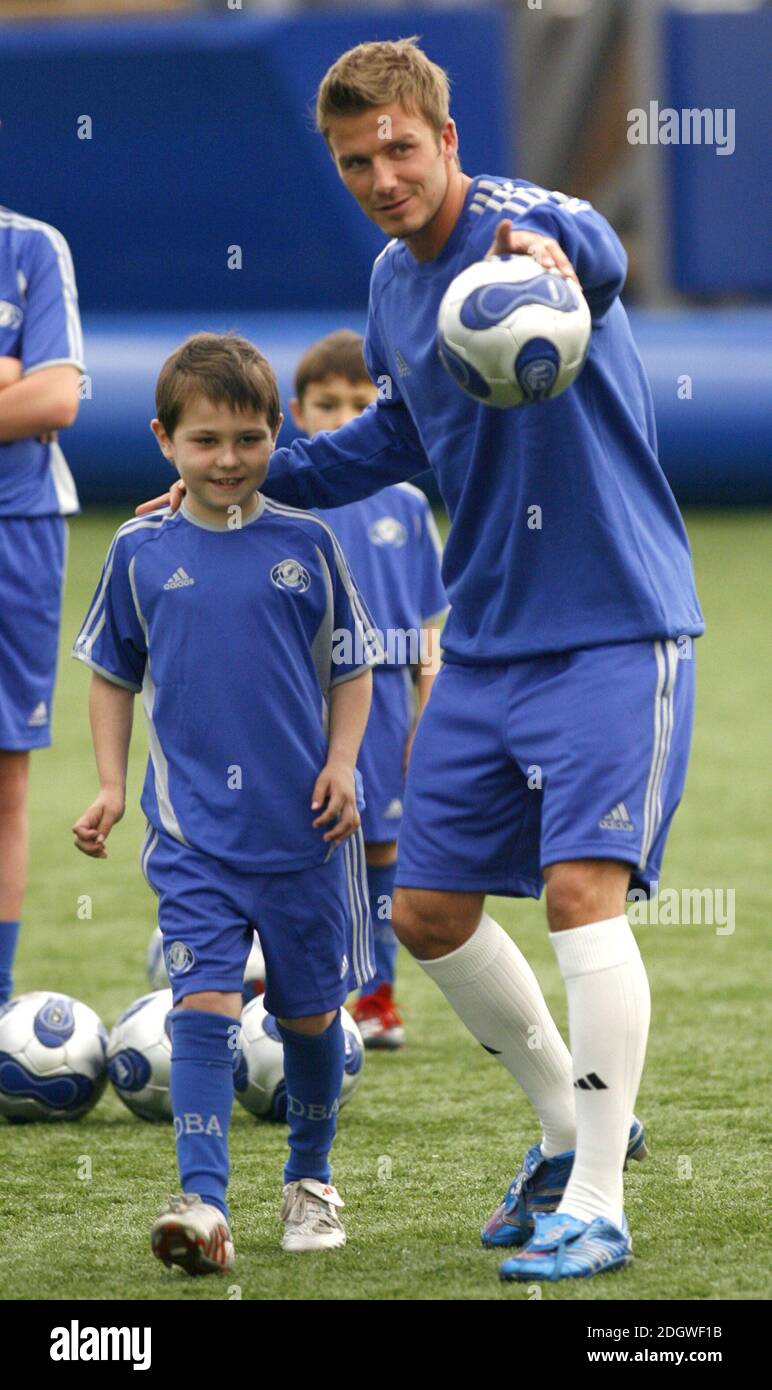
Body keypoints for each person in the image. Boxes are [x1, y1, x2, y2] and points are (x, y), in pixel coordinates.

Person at [139, 39, 703, 1283]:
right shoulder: (395, 283)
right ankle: (566, 1137)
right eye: (355, 160)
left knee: (575, 896)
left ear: (447, 139)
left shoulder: (523, 228)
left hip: (615, 625)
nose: (382, 174)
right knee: (429, 913)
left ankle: (600, 1206)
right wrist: (228, 476)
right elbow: (395, 432)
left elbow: (590, 257)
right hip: (486, 643)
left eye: (401, 147)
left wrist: (558, 255)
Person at [73, 332, 377, 1272]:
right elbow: (112, 674)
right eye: (205, 442)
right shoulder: (138, 551)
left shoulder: (308, 541)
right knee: (201, 1006)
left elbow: (351, 666)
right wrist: (115, 785)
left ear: (277, 435)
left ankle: (310, 1179)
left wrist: (343, 763)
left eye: (248, 440)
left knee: (308, 1016)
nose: (228, 461)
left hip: (306, 835)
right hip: (193, 837)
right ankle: (203, 1202)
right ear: (165, 440)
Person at [290, 329, 447, 1048]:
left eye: (362, 401)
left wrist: (428, 714)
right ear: (297, 412)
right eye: (328, 403)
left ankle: (377, 995)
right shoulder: (284, 499)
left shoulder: (409, 505)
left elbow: (431, 626)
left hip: (382, 698)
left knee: (381, 848)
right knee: (291, 842)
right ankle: (276, 979)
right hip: (294, 699)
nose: (344, 415)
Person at [0, 206, 84, 1005]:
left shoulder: (28, 246)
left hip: (15, 529)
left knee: (5, 782)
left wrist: (27, 382)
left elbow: (55, 398)